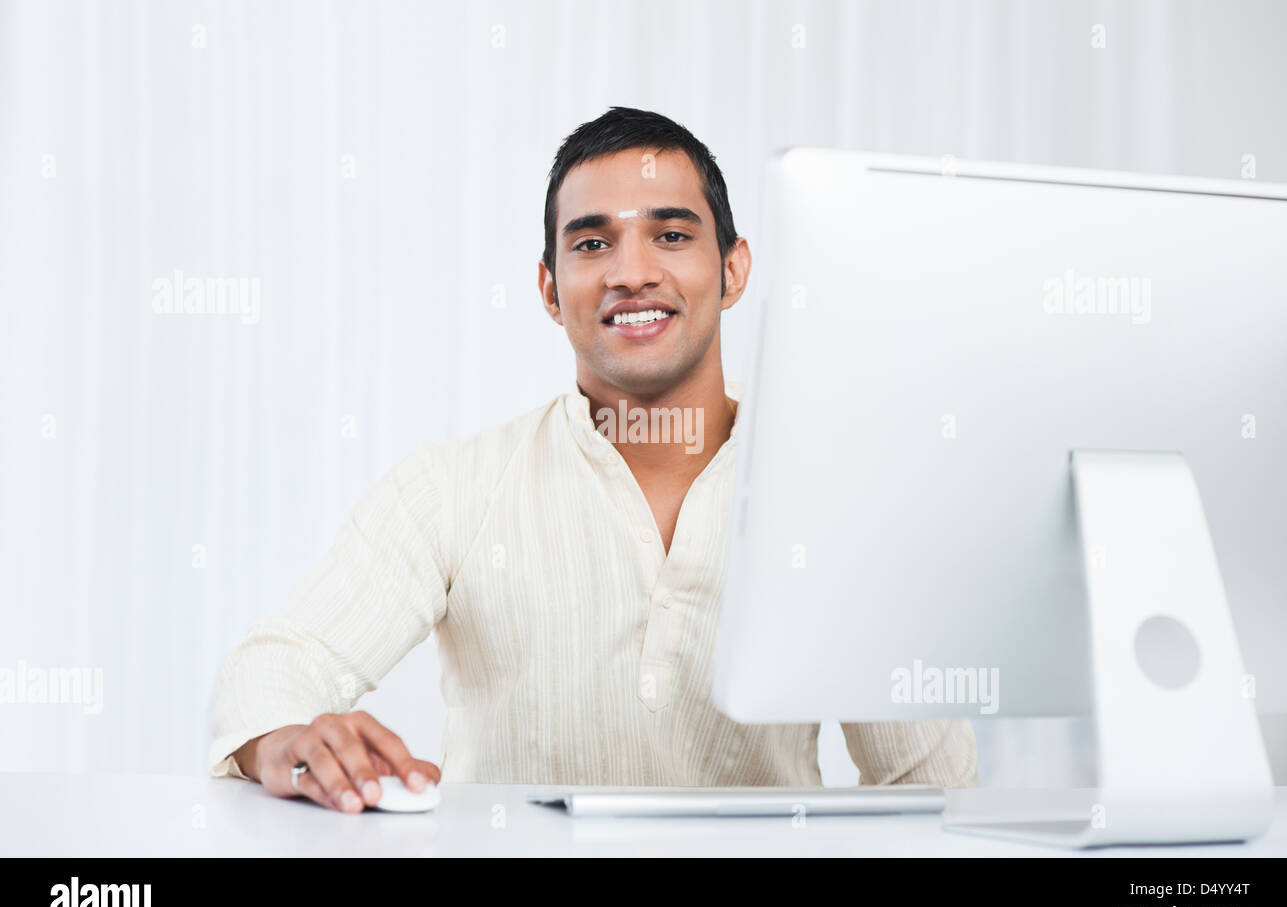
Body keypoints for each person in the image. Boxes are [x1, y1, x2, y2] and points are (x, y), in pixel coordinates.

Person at [209, 106, 978, 813]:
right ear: (550, 287)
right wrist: (287, 742)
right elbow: (282, 660)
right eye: (591, 242)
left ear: (735, 269)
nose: (631, 272)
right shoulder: (450, 490)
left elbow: (933, 786)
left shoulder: (838, 496)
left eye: (671, 235)